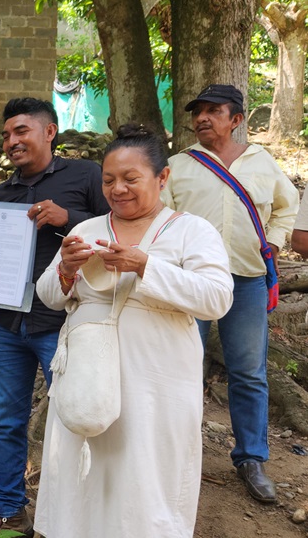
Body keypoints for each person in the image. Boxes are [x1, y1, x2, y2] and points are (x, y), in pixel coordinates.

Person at [33, 124, 234, 537]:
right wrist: (67, 269)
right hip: (87, 375)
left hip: (156, 381)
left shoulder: (191, 231)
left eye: (130, 179)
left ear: (162, 178)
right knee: (81, 466)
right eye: (108, 180)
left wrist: (146, 266)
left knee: (145, 472)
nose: (117, 189)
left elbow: (217, 298)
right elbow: (49, 295)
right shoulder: (86, 229)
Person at [162, 84, 299, 504]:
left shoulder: (262, 162)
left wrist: (273, 242)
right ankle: (176, 456)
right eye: (197, 112)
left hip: (247, 279)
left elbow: (286, 204)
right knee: (183, 368)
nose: (202, 118)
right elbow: (161, 217)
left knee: (249, 372)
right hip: (192, 283)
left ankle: (251, 459)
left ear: (236, 120)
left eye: (213, 111)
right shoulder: (177, 166)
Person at [0, 97, 110, 536]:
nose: (11, 141)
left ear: (49, 132)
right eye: (6, 135)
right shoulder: (1, 195)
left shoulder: (86, 176)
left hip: (61, 323)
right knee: (6, 422)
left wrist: (69, 219)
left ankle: (76, 514)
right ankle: (9, 512)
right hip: (4, 325)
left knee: (75, 417)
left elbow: (114, 229)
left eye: (20, 131)